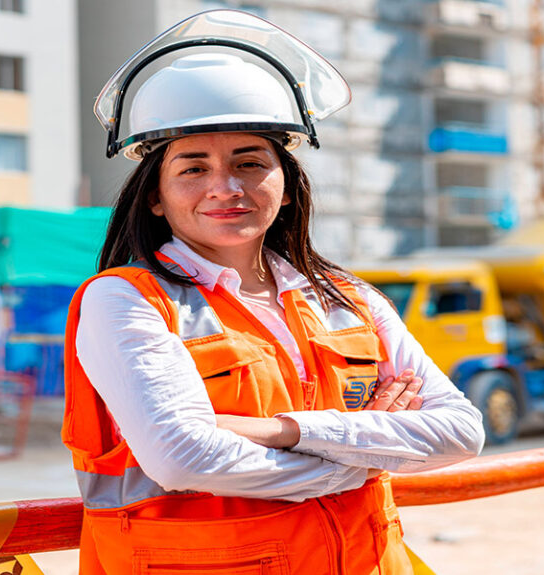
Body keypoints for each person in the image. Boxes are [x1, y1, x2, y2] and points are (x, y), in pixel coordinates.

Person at [62, 9, 485, 574]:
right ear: (155, 198)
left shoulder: (349, 299)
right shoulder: (126, 301)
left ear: (285, 186)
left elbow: (461, 432)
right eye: (193, 168)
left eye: (249, 162)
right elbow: (183, 457)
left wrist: (282, 431)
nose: (226, 187)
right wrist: (366, 458)